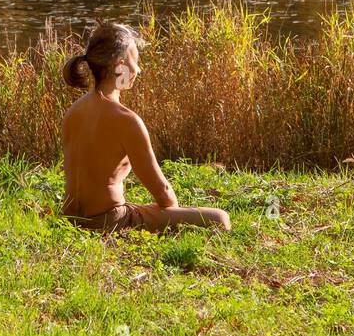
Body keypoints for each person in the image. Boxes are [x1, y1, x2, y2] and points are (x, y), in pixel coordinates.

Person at [60, 22, 231, 234]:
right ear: (120, 65)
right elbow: (162, 191)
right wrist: (172, 216)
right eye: (136, 61)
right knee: (220, 218)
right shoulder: (126, 120)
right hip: (107, 221)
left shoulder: (73, 112)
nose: (138, 69)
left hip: (69, 219)